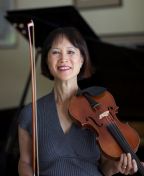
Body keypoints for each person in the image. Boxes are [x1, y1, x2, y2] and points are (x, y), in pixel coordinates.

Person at [18, 27, 141, 176]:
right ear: (47, 60)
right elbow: (25, 162)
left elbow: (105, 168)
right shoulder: (30, 113)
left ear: (82, 59)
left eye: (71, 52)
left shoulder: (99, 108)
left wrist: (116, 167)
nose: (63, 59)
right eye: (56, 52)